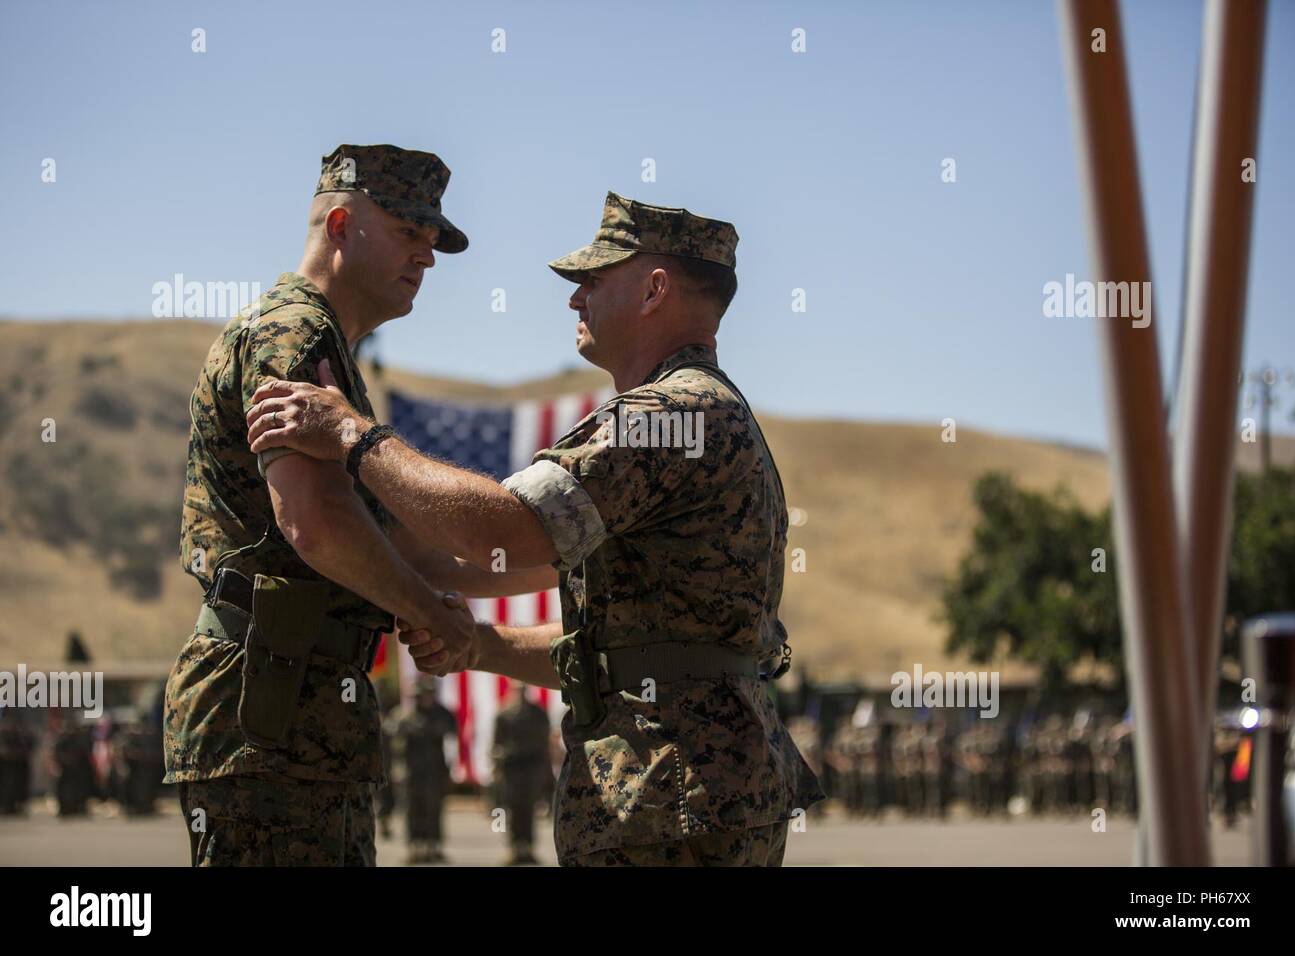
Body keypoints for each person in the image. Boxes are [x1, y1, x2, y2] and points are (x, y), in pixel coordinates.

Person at [246, 191, 825, 866]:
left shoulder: (670, 413)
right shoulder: (708, 413)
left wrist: (351, 433)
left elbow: (507, 531)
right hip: (697, 793)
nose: (575, 300)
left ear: (654, 289)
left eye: (593, 282)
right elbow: (627, 647)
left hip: (672, 801)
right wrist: (475, 644)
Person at [161, 144, 480, 866]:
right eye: (408, 232)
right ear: (339, 224)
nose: (426, 257)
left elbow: (393, 543)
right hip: (270, 716)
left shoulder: (327, 348)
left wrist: (553, 565)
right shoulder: (293, 333)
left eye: (433, 242)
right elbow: (317, 525)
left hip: (298, 712)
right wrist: (429, 613)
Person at [395, 679, 457, 863]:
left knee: (433, 810)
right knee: (413, 810)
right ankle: (415, 848)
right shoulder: (405, 716)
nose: (426, 699)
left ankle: (434, 847)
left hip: (434, 772)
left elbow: (452, 732)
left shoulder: (441, 715)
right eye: (423, 695)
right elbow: (396, 743)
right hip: (412, 772)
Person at [491, 684, 552, 865]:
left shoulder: (538, 715)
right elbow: (496, 743)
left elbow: (544, 743)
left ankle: (528, 848)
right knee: (513, 810)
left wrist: (545, 770)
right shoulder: (504, 714)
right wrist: (497, 764)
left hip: (532, 768)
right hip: (511, 769)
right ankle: (515, 848)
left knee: (528, 810)